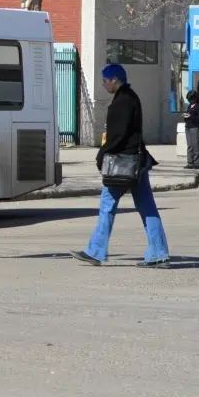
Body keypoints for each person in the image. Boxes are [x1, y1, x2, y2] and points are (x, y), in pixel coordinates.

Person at [70, 63, 171, 268]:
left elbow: (118, 135)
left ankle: (96, 251)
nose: (103, 84)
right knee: (147, 208)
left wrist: (102, 153)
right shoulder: (131, 97)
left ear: (115, 80)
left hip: (123, 164)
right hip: (138, 162)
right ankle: (158, 253)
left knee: (107, 205)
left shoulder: (122, 101)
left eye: (105, 80)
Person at [183, 90, 199, 169]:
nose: (191, 101)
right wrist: (186, 116)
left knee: (196, 145)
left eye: (191, 99)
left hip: (195, 127)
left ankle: (197, 163)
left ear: (195, 98)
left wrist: (191, 117)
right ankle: (190, 163)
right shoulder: (189, 106)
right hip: (188, 127)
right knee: (190, 146)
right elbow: (188, 115)